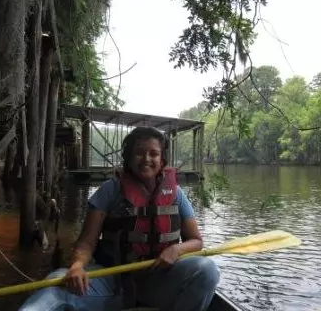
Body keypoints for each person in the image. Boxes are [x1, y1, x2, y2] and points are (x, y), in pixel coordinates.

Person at [19, 126, 220, 311]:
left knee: (207, 270)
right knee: (56, 281)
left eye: (154, 154)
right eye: (139, 152)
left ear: (162, 160)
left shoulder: (175, 193)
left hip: (159, 282)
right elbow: (87, 243)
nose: (146, 159)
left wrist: (176, 249)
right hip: (113, 283)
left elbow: (196, 241)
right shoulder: (110, 190)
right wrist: (77, 266)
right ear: (129, 157)